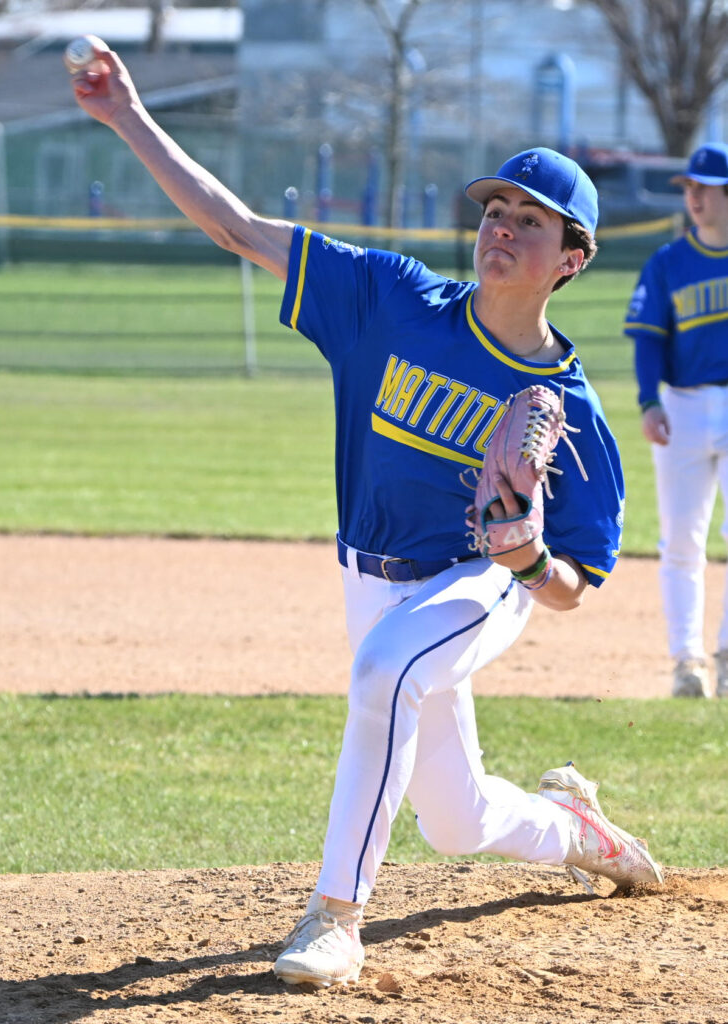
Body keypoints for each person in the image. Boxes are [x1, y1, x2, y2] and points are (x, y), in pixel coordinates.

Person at [71, 44, 663, 989]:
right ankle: (579, 830)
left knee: (384, 671)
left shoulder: (573, 409)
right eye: (495, 211)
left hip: (475, 584)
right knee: (456, 819)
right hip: (367, 572)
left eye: (531, 222)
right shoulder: (392, 301)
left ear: (574, 260)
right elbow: (238, 229)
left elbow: (572, 589)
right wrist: (125, 116)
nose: (501, 229)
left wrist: (525, 557)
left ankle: (335, 916)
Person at [624, 141, 728, 700]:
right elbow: (647, 340)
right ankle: (687, 662)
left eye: (702, 188)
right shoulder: (668, 264)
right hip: (682, 407)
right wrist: (648, 401)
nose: (692, 197)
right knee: (681, 542)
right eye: (687, 188)